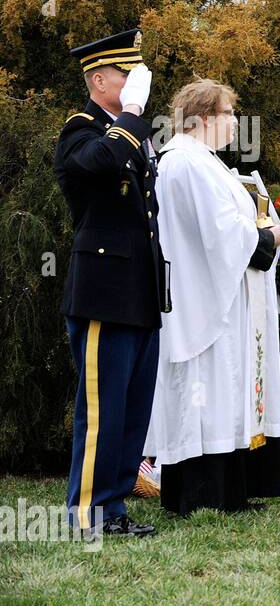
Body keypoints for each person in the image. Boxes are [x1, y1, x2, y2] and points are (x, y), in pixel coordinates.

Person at [143, 79, 280, 515]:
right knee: (207, 393)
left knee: (220, 394)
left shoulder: (202, 162)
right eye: (228, 115)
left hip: (216, 296)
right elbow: (222, 232)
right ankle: (205, 494)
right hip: (204, 303)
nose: (234, 123)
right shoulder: (186, 163)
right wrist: (268, 237)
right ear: (204, 118)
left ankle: (228, 491)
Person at [54, 28, 166, 536]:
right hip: (103, 291)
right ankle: (89, 514)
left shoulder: (128, 131)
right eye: (127, 74)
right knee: (101, 412)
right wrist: (131, 119)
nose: (137, 81)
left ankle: (114, 507)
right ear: (100, 79)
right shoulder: (81, 129)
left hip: (138, 292)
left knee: (132, 408)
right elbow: (97, 165)